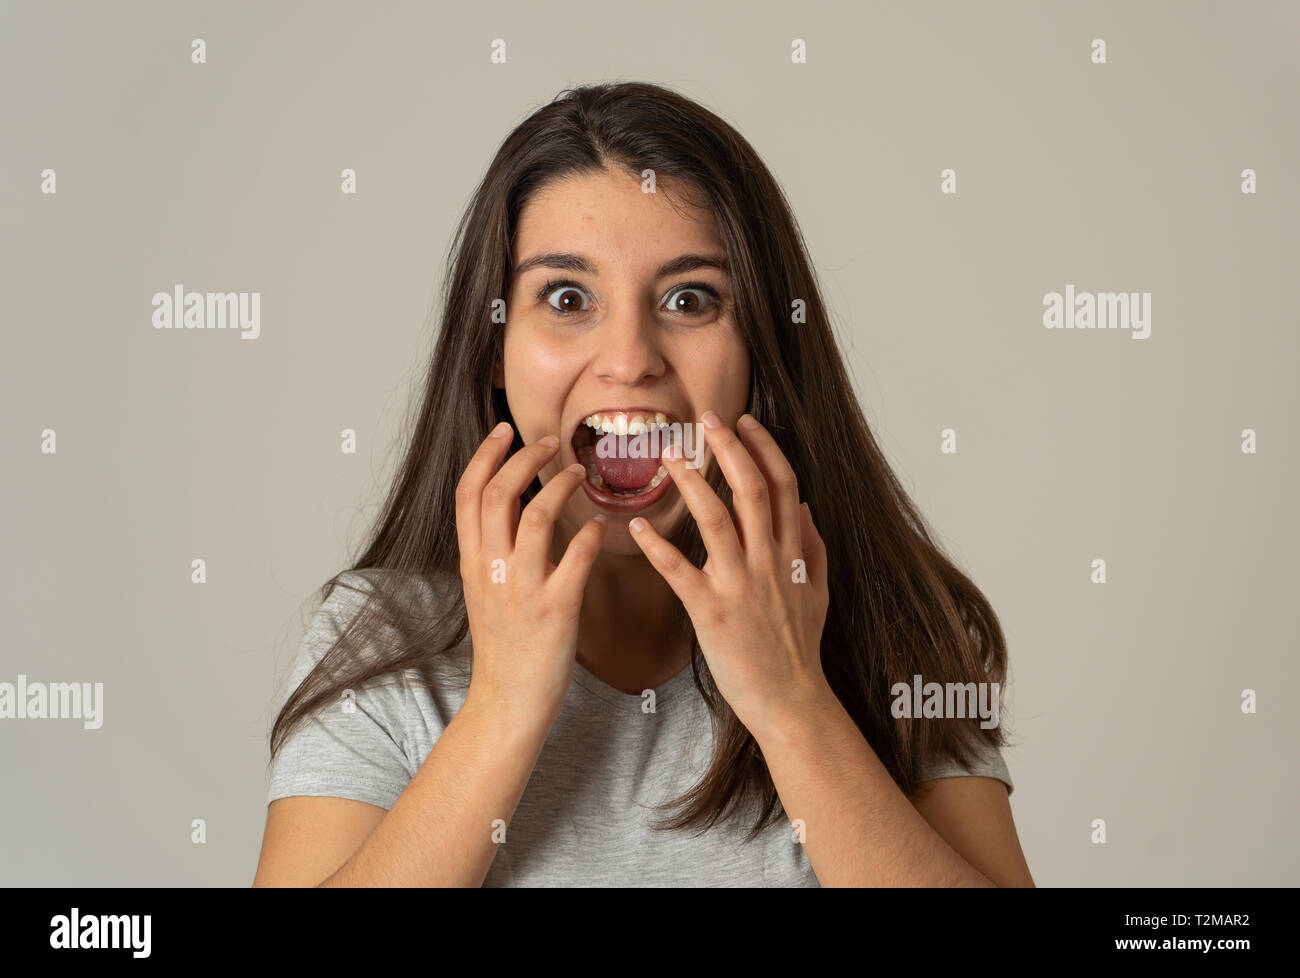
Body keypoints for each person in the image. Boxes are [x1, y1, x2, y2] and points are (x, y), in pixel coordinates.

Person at [252, 81, 1035, 887]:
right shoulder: (381, 646)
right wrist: (502, 706)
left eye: (689, 299)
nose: (630, 358)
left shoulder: (897, 634)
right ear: (493, 349)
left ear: (762, 348)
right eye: (567, 298)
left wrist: (792, 701)